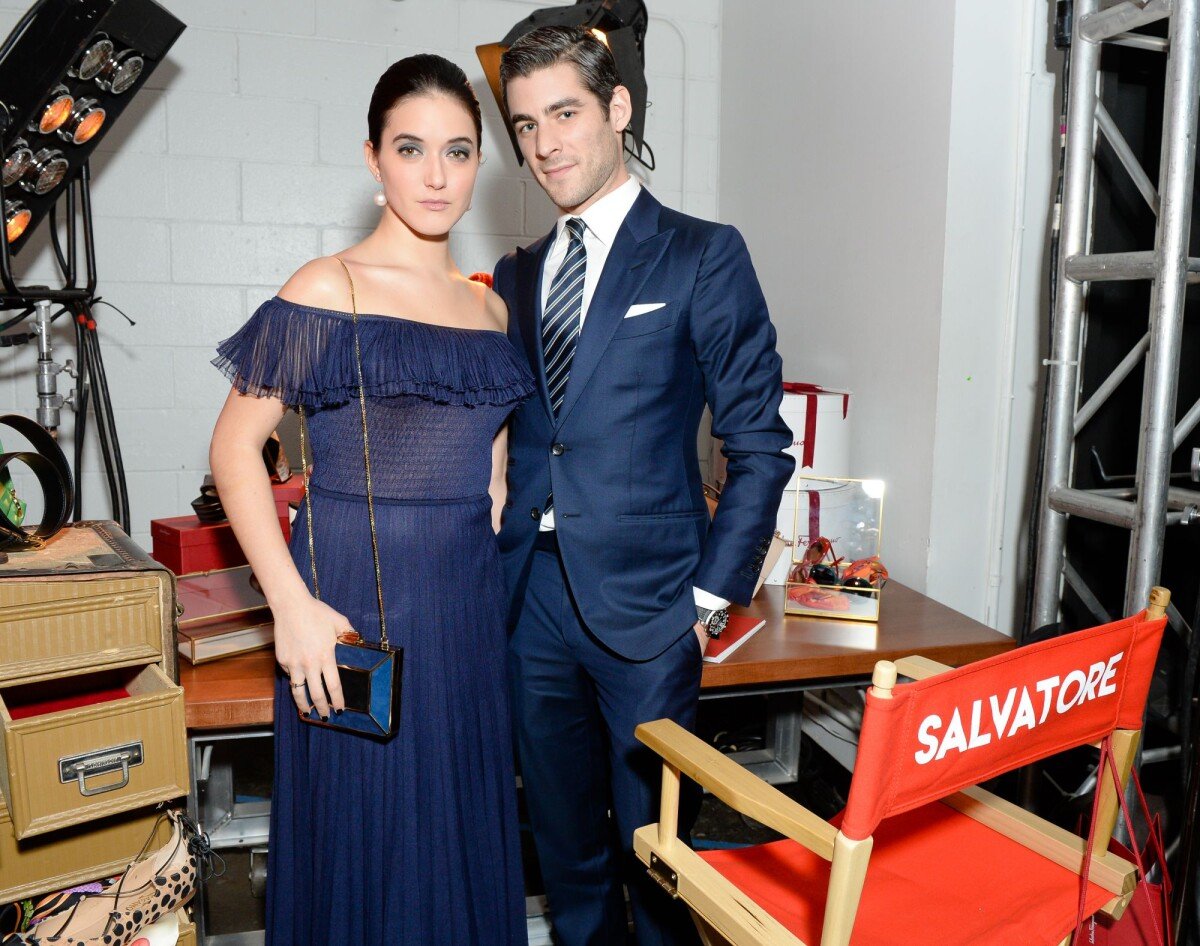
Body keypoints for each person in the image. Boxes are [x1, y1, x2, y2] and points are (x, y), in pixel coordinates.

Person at [209, 55, 532, 945]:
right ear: (373, 159)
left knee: (457, 826)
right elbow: (234, 449)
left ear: (478, 165)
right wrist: (291, 608)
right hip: (348, 600)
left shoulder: (490, 312)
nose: (436, 174)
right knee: (365, 838)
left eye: (459, 151)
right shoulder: (327, 288)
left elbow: (487, 421)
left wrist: (496, 473)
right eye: (411, 148)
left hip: (466, 607)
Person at [493, 26, 794, 946]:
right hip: (529, 597)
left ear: (618, 110)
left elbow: (760, 445)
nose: (546, 145)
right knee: (566, 847)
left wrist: (708, 600)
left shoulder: (703, 254)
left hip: (653, 605)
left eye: (566, 114)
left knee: (658, 852)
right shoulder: (514, 274)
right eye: (526, 124)